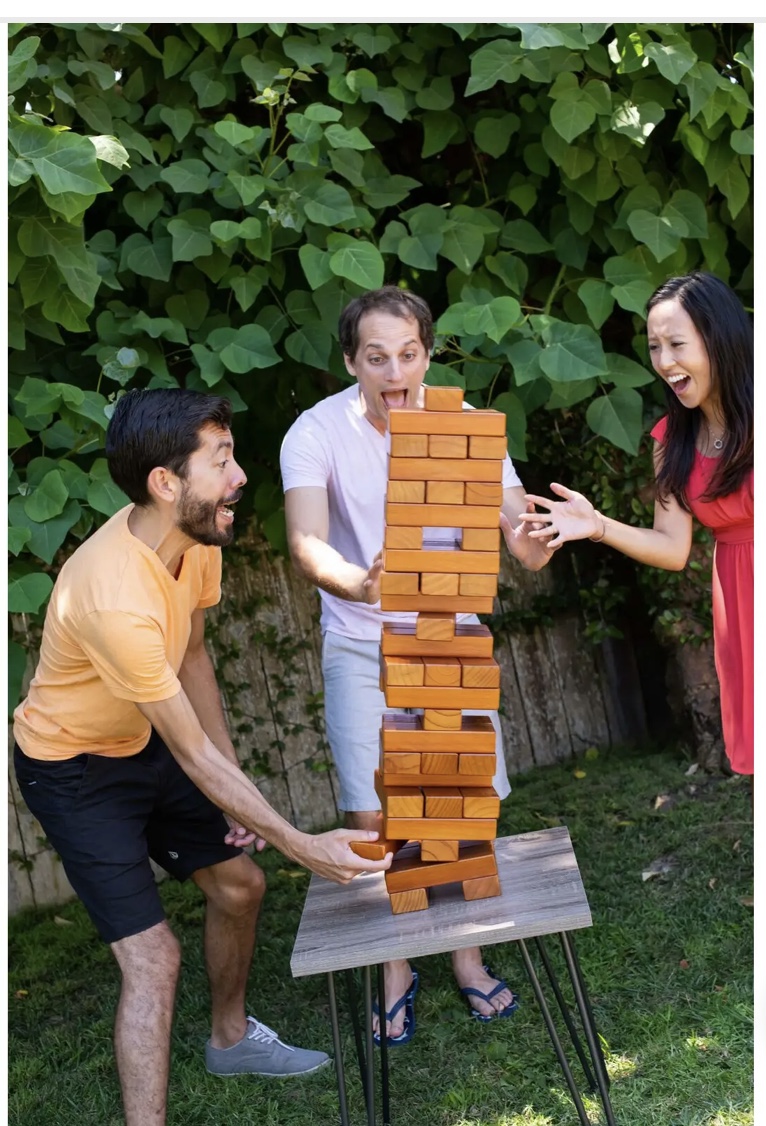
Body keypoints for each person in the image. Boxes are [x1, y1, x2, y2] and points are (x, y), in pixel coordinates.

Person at [12, 388, 391, 1126]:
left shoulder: (196, 542)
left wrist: (233, 786)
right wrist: (302, 843)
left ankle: (230, 1038)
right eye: (221, 461)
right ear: (166, 482)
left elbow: (191, 659)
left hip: (144, 735)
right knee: (154, 959)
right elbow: (190, 753)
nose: (240, 476)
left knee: (241, 887)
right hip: (73, 769)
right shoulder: (113, 596)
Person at [280, 285, 554, 1046]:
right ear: (351, 362)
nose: (394, 371)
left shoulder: (465, 425)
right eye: (377, 358)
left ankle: (467, 956)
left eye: (408, 354)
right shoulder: (315, 431)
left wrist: (538, 538)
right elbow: (306, 543)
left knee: (463, 804)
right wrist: (359, 582)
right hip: (358, 640)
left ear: (427, 355)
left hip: (449, 636)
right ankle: (396, 967)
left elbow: (521, 531)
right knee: (372, 814)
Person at [519, 271, 753, 779]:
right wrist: (597, 524)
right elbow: (672, 548)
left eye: (677, 344)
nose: (664, 362)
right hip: (738, 601)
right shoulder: (673, 439)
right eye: (654, 347)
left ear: (719, 338)